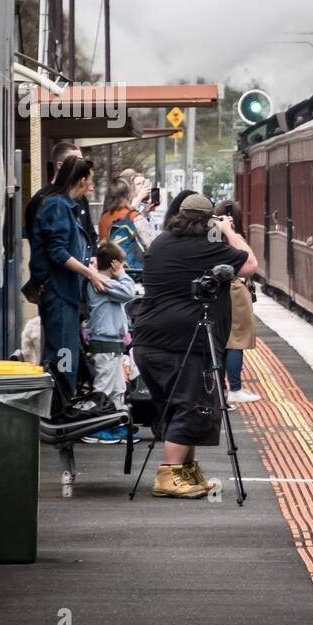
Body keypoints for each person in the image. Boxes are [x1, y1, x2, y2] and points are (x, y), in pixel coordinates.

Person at [132, 192, 258, 499]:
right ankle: (169, 476)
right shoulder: (208, 248)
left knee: (176, 406)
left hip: (148, 342)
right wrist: (229, 231)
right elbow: (250, 265)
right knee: (190, 405)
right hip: (185, 341)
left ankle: (187, 472)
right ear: (207, 222)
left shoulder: (161, 242)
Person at [29, 156, 108, 396]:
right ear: (81, 180)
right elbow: (58, 251)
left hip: (65, 291)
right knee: (63, 353)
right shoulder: (58, 206)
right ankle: (60, 405)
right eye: (90, 180)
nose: (91, 186)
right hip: (60, 291)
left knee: (65, 351)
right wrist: (90, 273)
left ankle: (61, 403)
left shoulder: (62, 205)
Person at [83, 241, 138, 445]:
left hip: (112, 342)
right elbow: (128, 292)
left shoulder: (105, 283)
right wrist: (122, 273)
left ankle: (115, 425)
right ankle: (95, 428)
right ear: (115, 264)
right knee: (103, 387)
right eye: (120, 264)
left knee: (116, 388)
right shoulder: (100, 282)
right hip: (104, 343)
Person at [215, 200, 261, 404]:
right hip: (236, 288)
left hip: (220, 289)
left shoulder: (212, 237)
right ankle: (235, 387)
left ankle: (222, 388)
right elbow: (250, 262)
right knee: (236, 340)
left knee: (223, 341)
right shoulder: (234, 238)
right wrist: (232, 232)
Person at [25, 141, 97, 251]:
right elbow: (49, 246)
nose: (82, 167)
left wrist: (92, 258)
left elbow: (90, 234)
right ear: (60, 165)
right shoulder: (42, 200)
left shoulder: (80, 198)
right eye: (76, 162)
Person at [98, 177, 147, 275]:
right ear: (129, 194)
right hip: (131, 270)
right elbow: (149, 244)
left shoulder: (104, 217)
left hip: (108, 270)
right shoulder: (134, 216)